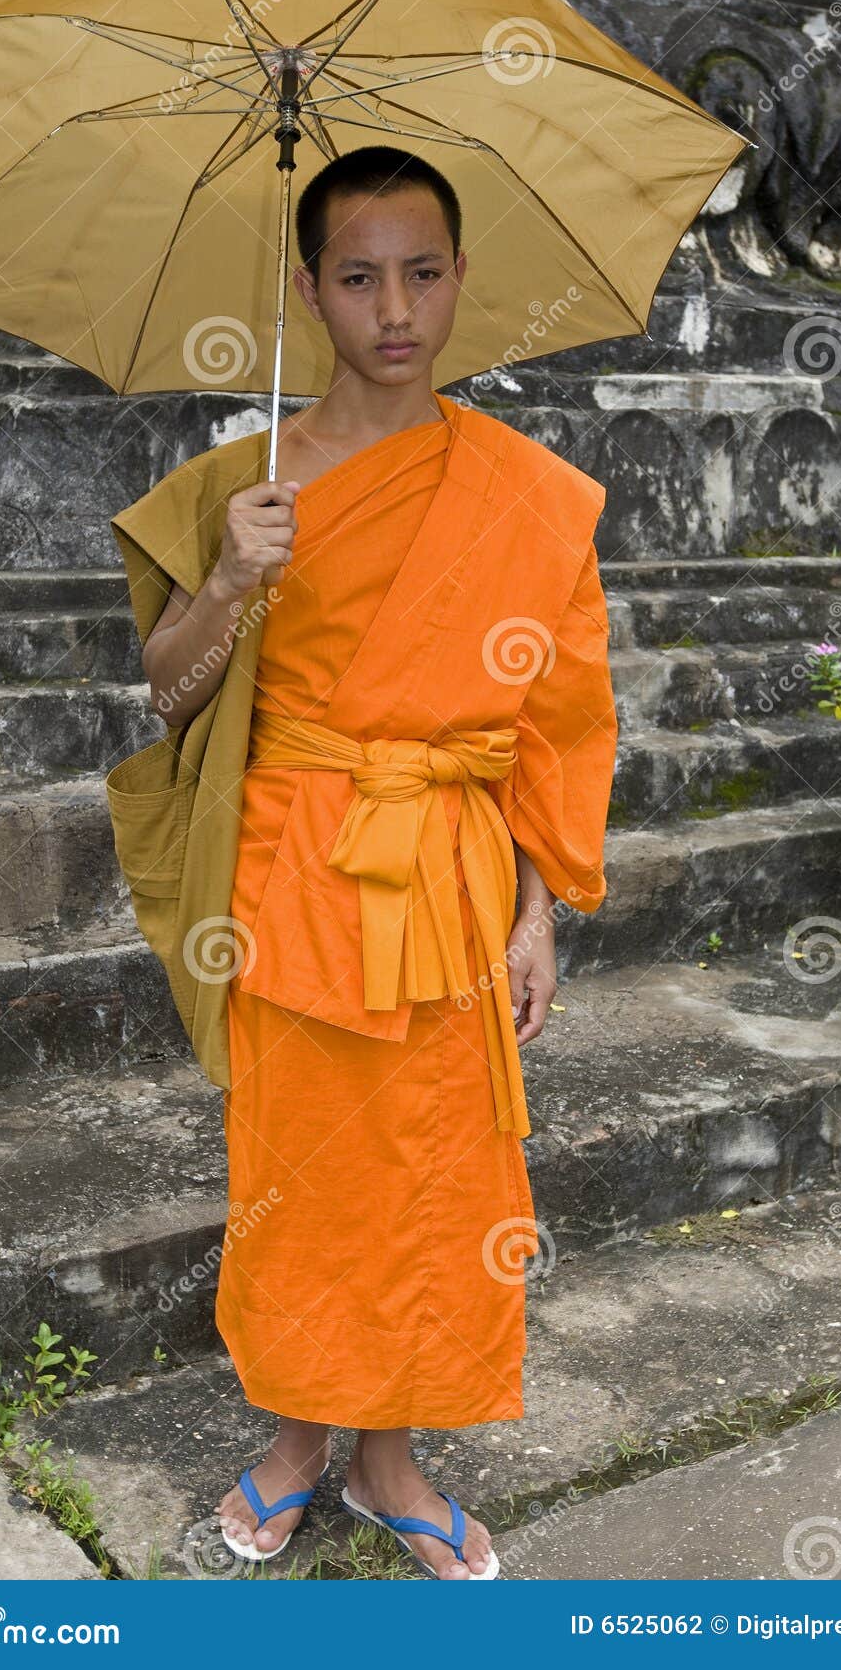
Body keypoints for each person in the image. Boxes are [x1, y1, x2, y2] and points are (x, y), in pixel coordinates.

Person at [136, 145, 617, 1580]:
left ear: (461, 280)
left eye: (421, 273)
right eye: (357, 277)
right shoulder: (245, 485)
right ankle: (293, 1437)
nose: (393, 308)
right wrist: (230, 579)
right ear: (308, 291)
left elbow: (557, 719)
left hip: (458, 882)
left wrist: (541, 911)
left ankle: (391, 1453)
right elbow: (168, 694)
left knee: (432, 1179)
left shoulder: (530, 493)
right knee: (297, 1171)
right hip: (292, 876)